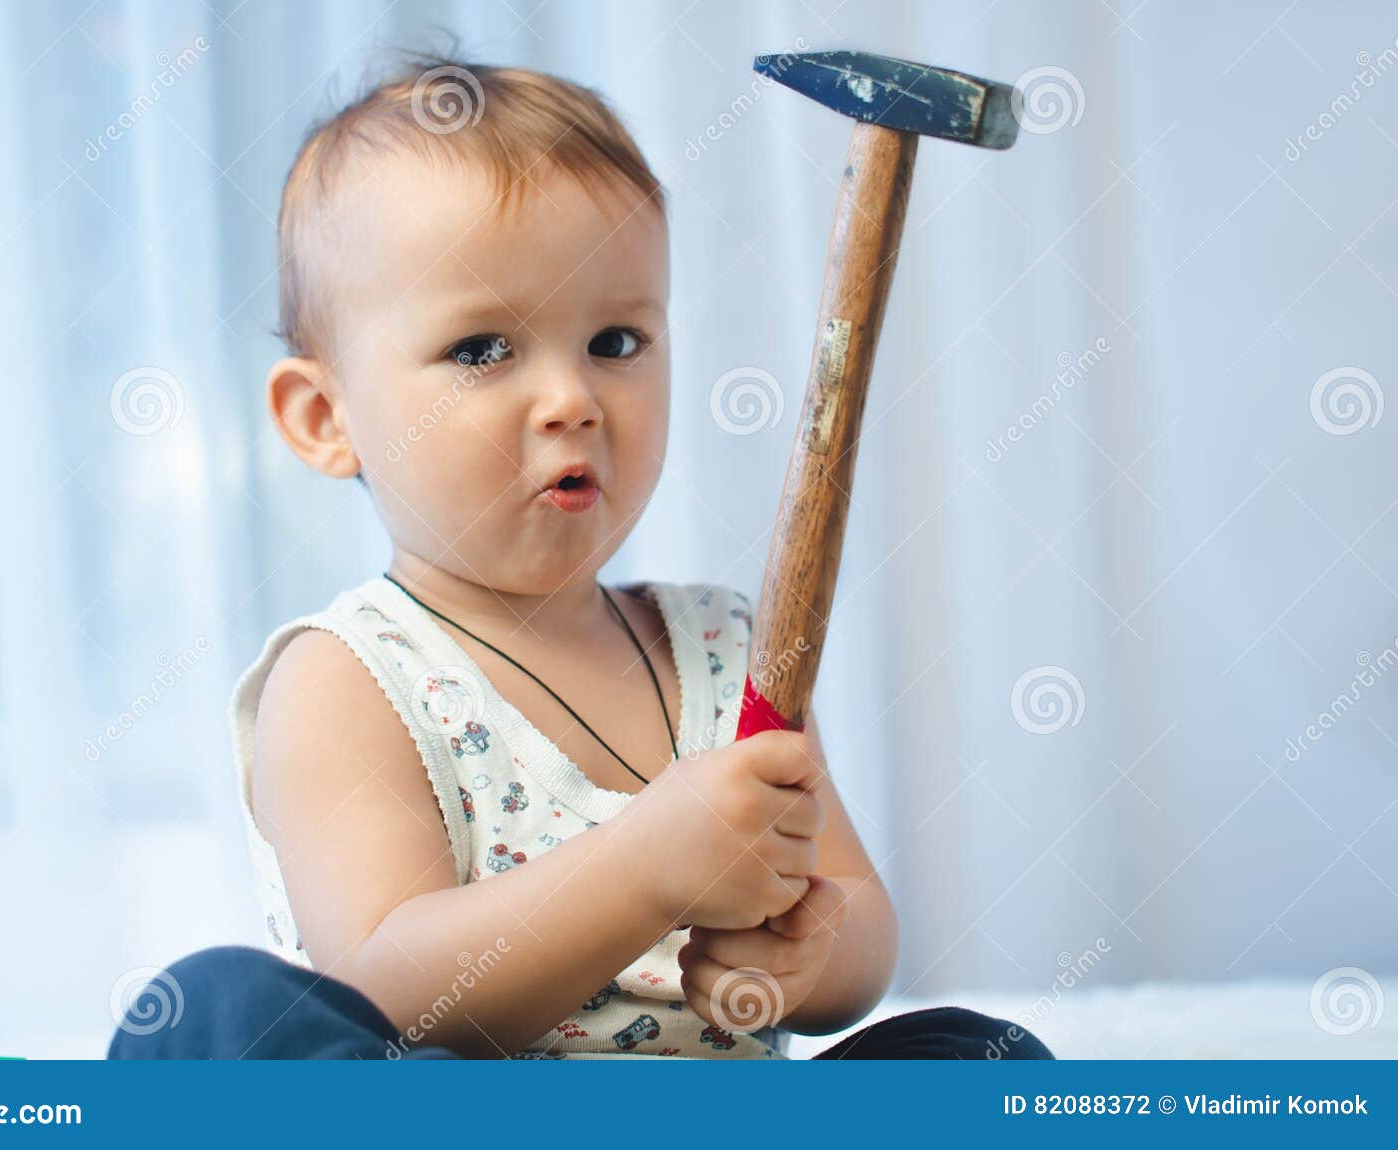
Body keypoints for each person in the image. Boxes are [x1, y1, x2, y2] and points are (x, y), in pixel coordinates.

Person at [117, 53, 1052, 1062]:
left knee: (977, 1052)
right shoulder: (347, 679)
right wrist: (649, 866)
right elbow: (392, 991)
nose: (572, 397)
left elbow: (854, 912)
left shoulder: (736, 648)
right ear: (325, 417)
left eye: (614, 340)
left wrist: (807, 955)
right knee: (216, 1010)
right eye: (482, 349)